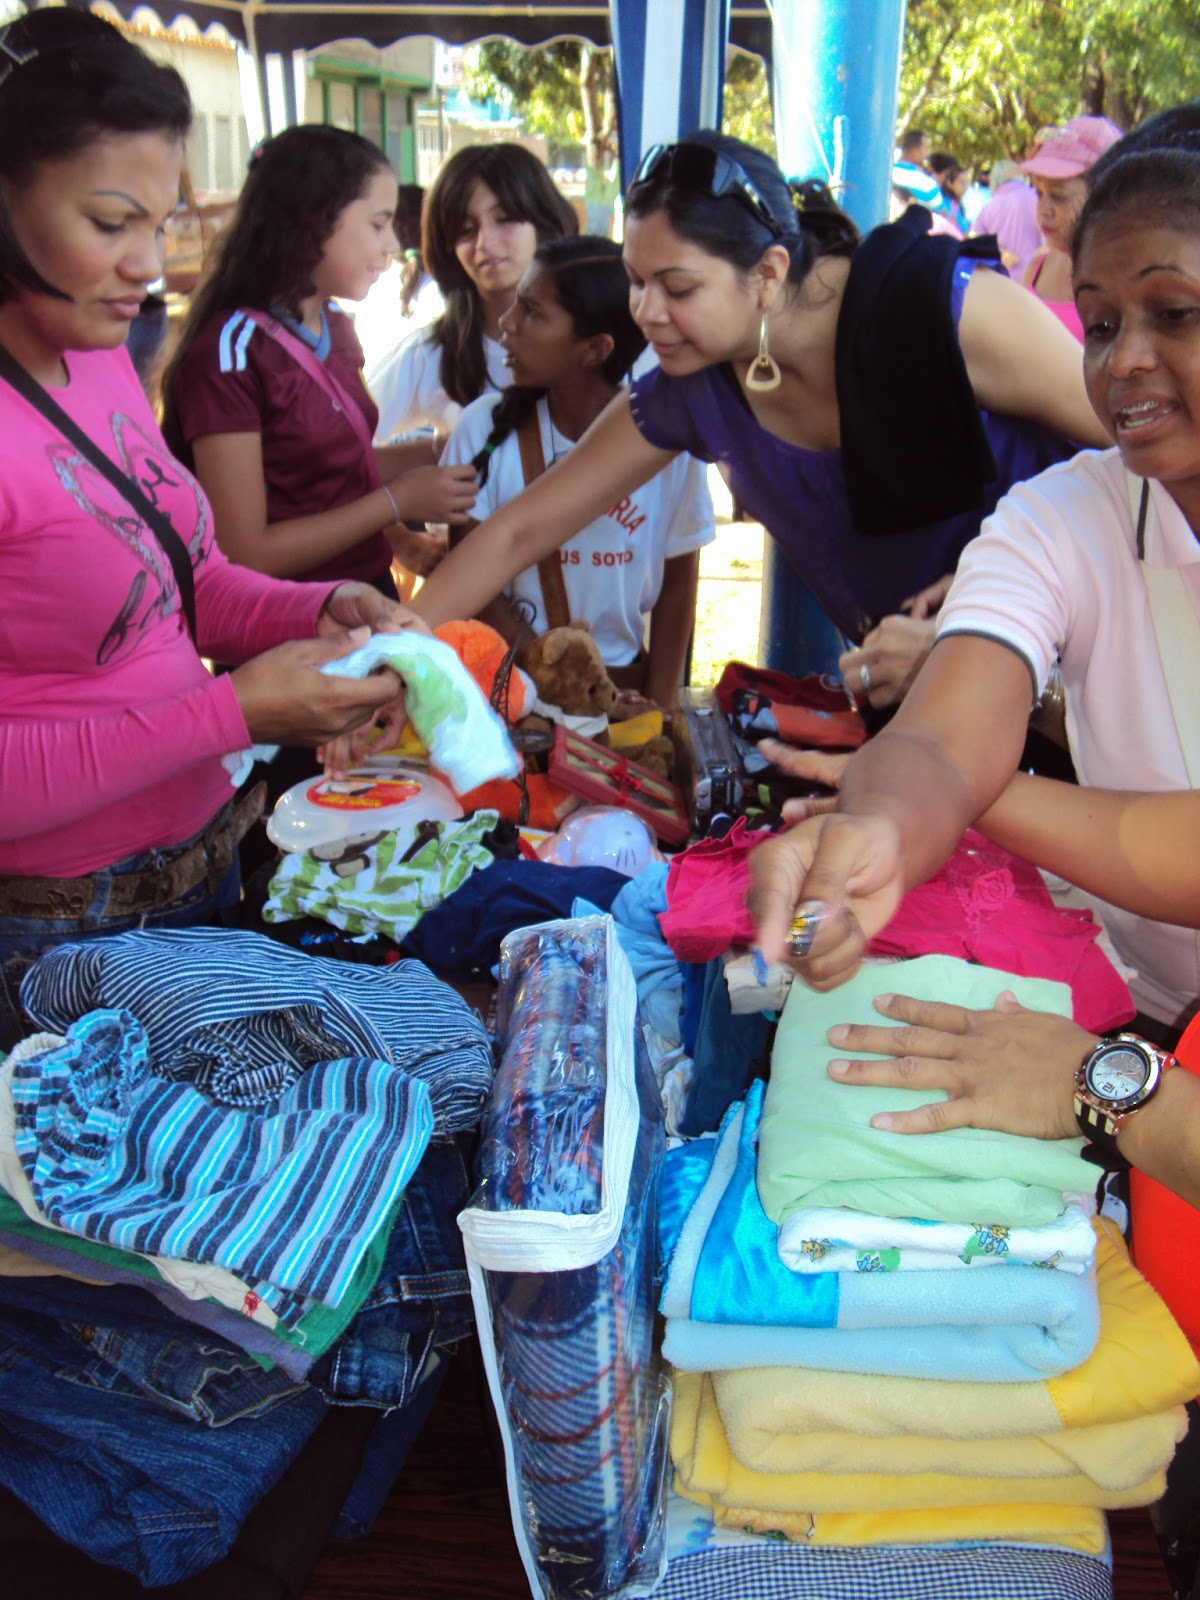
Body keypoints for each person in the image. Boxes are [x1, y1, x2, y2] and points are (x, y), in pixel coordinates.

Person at [0, 8, 416, 1047]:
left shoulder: (95, 354)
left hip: (201, 863)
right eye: (109, 222)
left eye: (162, 217)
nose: (150, 260)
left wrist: (320, 605)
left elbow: (186, 585)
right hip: (58, 933)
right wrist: (231, 716)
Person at [747, 124, 1200, 1030]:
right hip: (1159, 1026)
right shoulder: (1063, 515)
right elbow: (947, 735)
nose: (1124, 359)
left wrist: (940, 799)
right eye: (1101, 323)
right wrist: (885, 819)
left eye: (1175, 312)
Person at [408, 132, 1108, 714]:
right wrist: (388, 655)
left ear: (769, 273)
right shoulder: (695, 385)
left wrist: (982, 598)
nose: (644, 313)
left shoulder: (950, 312)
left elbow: (1144, 455)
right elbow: (517, 531)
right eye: (635, 281)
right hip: (926, 712)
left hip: (1092, 669)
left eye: (677, 288)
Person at [162, 126, 476, 591]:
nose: (392, 244)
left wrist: (450, 447)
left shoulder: (334, 323)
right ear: (313, 219)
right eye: (378, 224)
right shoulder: (231, 352)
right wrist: (396, 502)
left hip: (363, 599)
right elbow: (245, 552)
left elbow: (333, 470)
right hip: (287, 629)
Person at [441, 236, 714, 707]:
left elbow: (678, 583)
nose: (507, 324)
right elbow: (471, 582)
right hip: (508, 691)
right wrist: (548, 673)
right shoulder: (484, 430)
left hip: (622, 688)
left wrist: (660, 702)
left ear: (594, 350)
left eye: (531, 312)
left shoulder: (669, 445)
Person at [367, 143, 578, 441]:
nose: (485, 244)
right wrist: (437, 459)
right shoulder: (428, 355)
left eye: (504, 219)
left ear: (543, 221)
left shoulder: (604, 336)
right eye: (465, 229)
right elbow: (343, 450)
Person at [1021, 116, 1122, 342]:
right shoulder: (1038, 265)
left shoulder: (1125, 280)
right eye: (1039, 193)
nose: (1044, 210)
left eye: (1058, 196)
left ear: (1104, 194)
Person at [971, 159, 1041, 281]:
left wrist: (1000, 254)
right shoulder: (1037, 198)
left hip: (1003, 280)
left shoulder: (990, 205)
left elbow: (974, 240)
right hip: (1036, 278)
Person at [890, 127, 947, 216]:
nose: (927, 153)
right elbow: (941, 215)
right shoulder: (928, 184)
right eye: (926, 147)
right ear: (915, 150)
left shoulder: (887, 174)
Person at [928, 152, 969, 235]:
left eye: (966, 183)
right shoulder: (942, 201)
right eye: (961, 182)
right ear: (949, 183)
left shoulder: (957, 205)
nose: (965, 187)